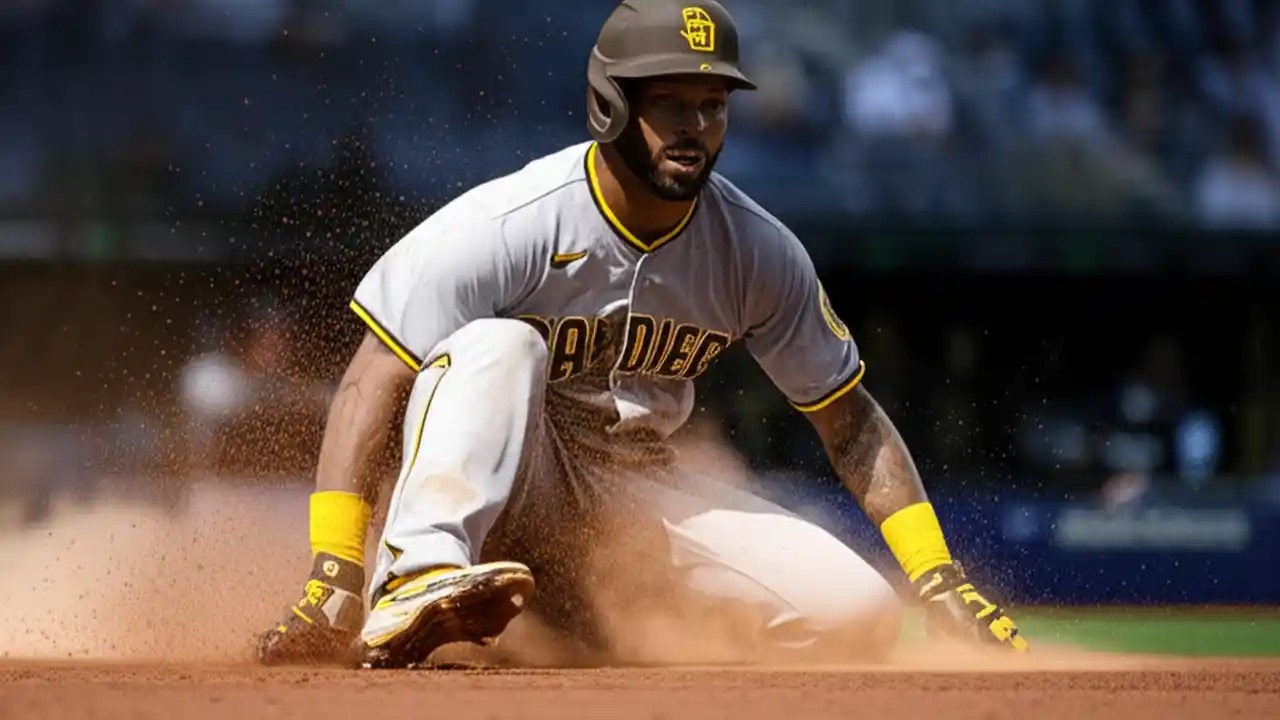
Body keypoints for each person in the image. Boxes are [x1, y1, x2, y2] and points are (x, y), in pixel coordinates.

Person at [257, 0, 1027, 669]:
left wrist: (938, 578)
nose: (694, 126)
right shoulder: (511, 223)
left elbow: (850, 424)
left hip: (633, 492)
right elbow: (372, 379)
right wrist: (335, 571)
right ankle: (417, 575)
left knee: (860, 616)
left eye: (713, 104)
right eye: (670, 102)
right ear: (610, 107)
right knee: (501, 343)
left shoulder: (756, 251)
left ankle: (597, 639)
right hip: (514, 475)